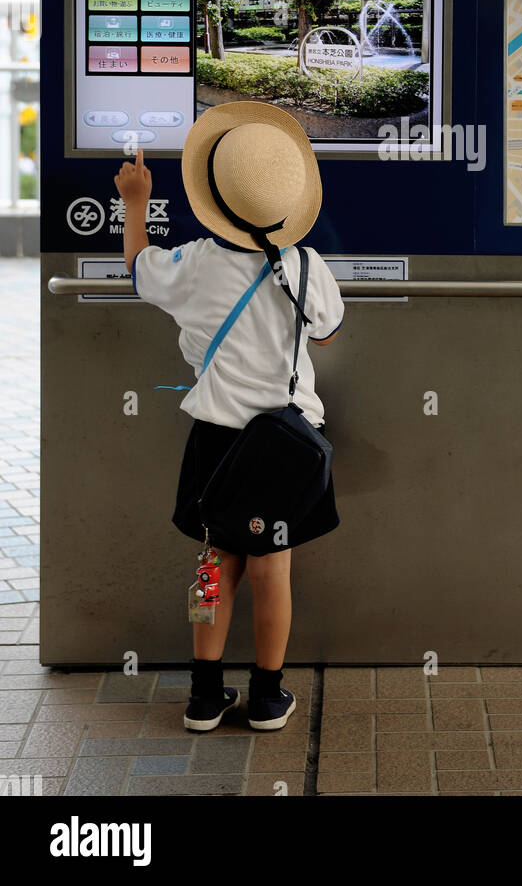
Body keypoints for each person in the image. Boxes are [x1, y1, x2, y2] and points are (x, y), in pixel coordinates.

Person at [113, 102, 344, 734]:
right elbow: (324, 335)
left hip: (219, 439)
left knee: (214, 567)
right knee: (274, 570)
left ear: (213, 194)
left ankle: (203, 697)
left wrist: (136, 203)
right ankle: (267, 698)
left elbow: (138, 269)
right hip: (288, 443)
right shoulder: (306, 264)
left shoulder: (196, 264)